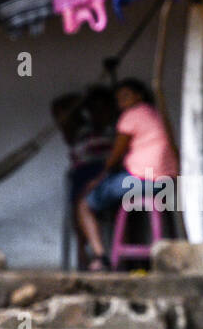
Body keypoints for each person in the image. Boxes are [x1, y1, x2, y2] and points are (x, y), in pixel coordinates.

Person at [77, 78, 179, 270]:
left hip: (144, 182)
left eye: (126, 96)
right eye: (118, 99)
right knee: (124, 204)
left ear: (138, 96)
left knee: (84, 204)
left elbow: (115, 156)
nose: (121, 102)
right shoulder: (158, 113)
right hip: (167, 183)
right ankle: (136, 260)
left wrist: (98, 179)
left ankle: (100, 257)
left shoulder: (131, 116)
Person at [52, 86, 116, 268]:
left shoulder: (116, 129)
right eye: (93, 108)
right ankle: (83, 259)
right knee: (78, 216)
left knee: (96, 208)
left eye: (102, 109)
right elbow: (58, 107)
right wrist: (82, 100)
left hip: (105, 174)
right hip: (81, 175)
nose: (98, 113)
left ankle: (108, 258)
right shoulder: (81, 130)